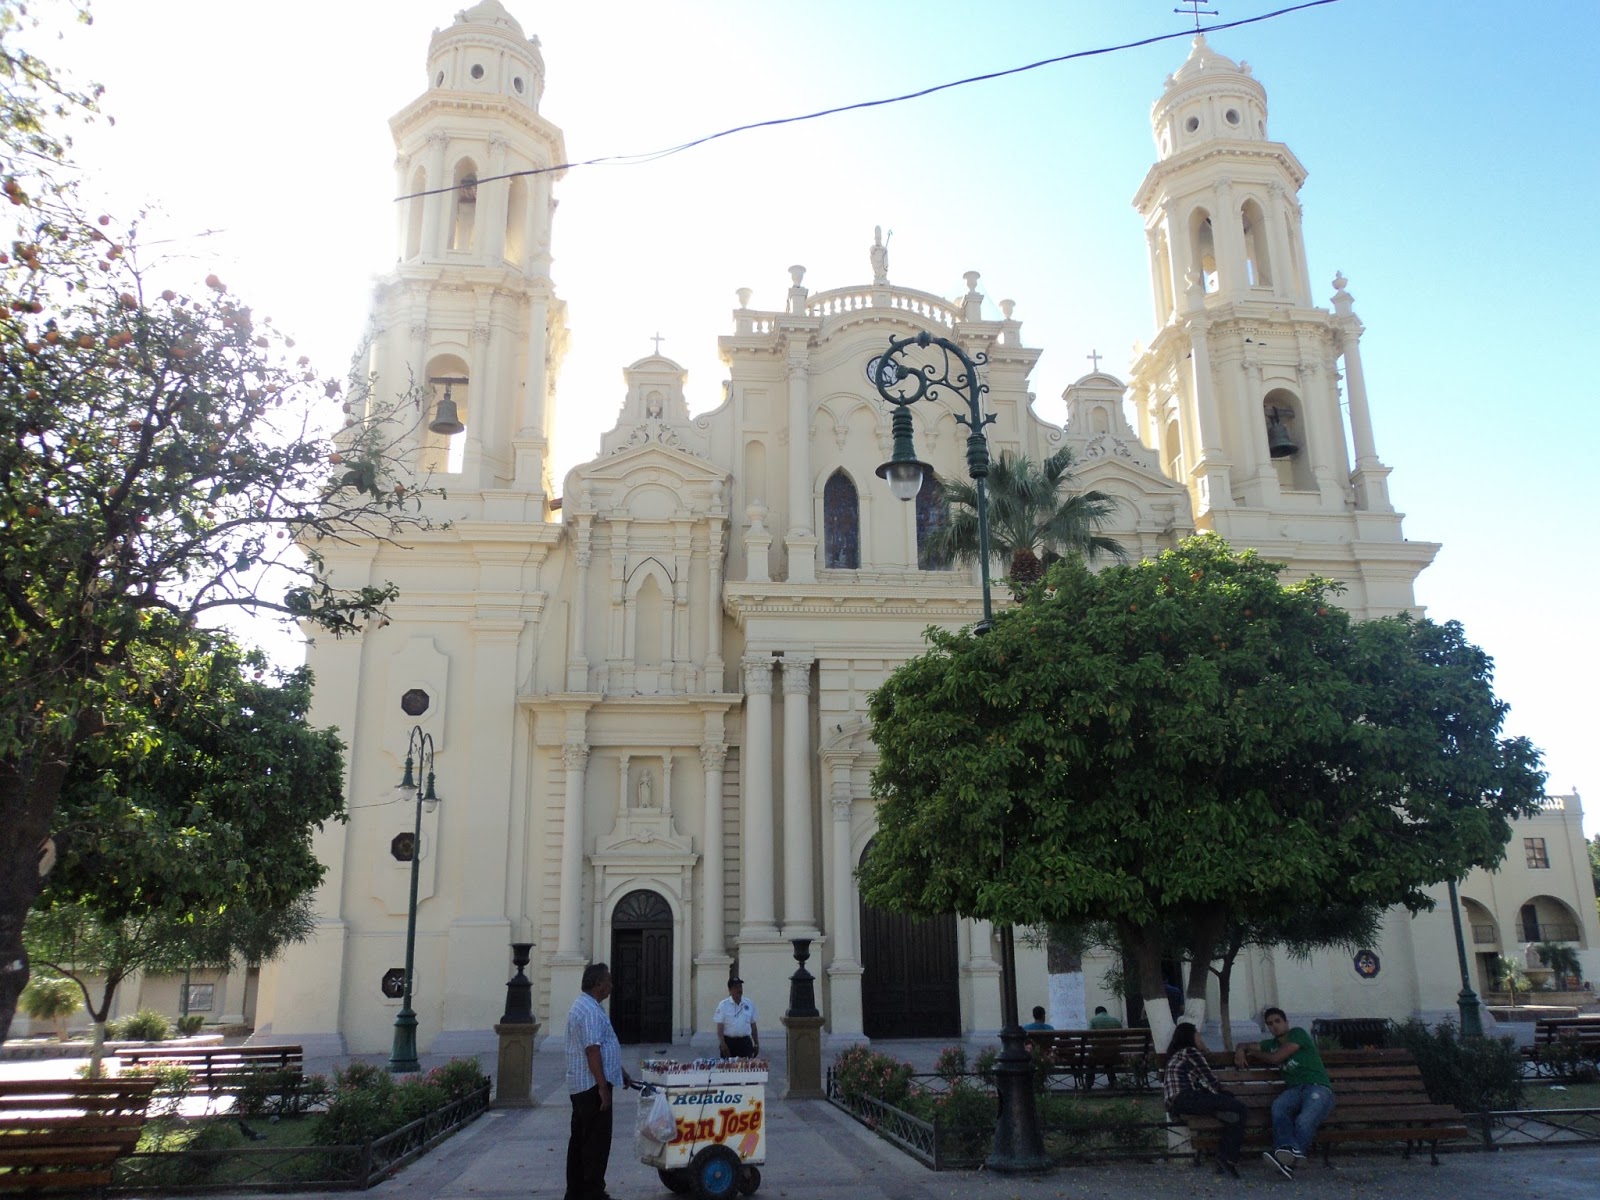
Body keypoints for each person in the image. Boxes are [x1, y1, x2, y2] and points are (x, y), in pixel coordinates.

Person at [1235, 1006, 1334, 1178]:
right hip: (1294, 1090)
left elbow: (1276, 1058)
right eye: (1270, 1023)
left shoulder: (1297, 1034)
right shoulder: (1270, 1045)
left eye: (1278, 1021)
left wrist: (1252, 1052)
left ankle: (1286, 1158)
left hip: (1317, 1087)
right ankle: (1289, 1154)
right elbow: (1245, 1044)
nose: (1274, 1026)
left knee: (1304, 1120)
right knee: (1279, 1107)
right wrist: (1240, 1049)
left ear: (1286, 1022)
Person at [565, 962, 633, 1200]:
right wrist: (603, 1087)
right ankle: (593, 1193)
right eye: (609, 981)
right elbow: (592, 1050)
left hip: (583, 1085)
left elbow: (602, 1047)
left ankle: (575, 1192)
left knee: (580, 1142)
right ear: (598, 984)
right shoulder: (591, 1011)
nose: (612, 986)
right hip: (591, 1087)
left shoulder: (585, 1005)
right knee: (595, 1144)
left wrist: (619, 1071)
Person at [1163, 1020, 1247, 1178]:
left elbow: (1200, 1083)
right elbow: (1210, 1081)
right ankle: (1227, 1158)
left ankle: (1222, 1119)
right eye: (1198, 1036)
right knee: (1240, 1108)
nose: (1201, 1039)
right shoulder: (1191, 1052)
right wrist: (1226, 1096)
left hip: (1177, 1102)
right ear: (1191, 1037)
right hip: (1186, 1098)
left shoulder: (1179, 1054)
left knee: (1233, 1115)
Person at [715, 976, 759, 1059]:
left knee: (746, 1069)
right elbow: (720, 1027)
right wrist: (722, 1044)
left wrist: (756, 1043)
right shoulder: (723, 1005)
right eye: (735, 987)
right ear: (730, 990)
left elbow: (753, 1025)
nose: (739, 990)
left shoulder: (749, 1004)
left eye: (740, 987)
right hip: (729, 1043)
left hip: (745, 1043)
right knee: (728, 1070)